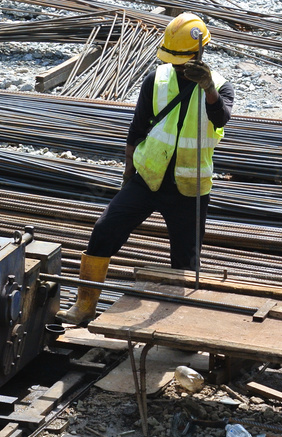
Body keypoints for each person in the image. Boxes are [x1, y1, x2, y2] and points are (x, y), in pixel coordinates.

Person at [57, 13, 235, 325]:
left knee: (185, 260)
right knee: (103, 232)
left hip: (188, 190)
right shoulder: (157, 80)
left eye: (184, 60)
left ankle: (177, 325)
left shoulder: (219, 87)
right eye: (175, 59)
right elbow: (137, 129)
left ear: (199, 52)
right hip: (147, 179)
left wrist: (207, 87)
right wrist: (127, 177)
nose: (179, 66)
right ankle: (85, 305)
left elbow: (220, 118)